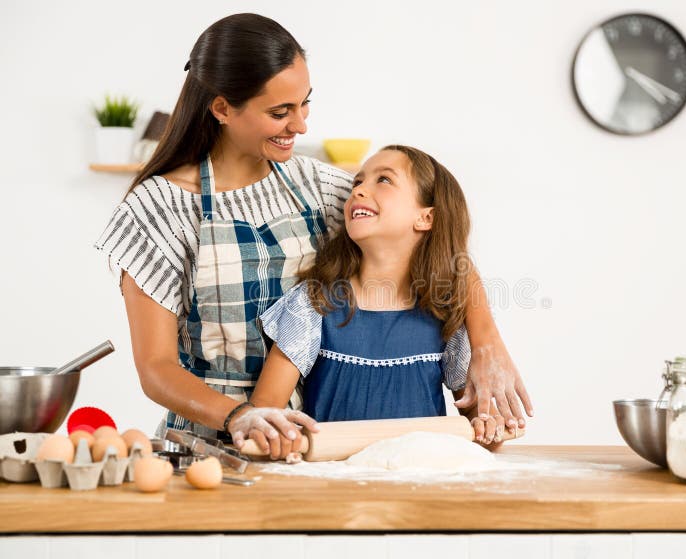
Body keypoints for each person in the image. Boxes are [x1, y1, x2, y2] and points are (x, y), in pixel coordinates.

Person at [94, 13, 531, 445]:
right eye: (280, 111)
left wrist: (487, 344)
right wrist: (242, 416)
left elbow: (440, 249)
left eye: (305, 103)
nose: (301, 125)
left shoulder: (318, 187)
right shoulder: (156, 211)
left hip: (310, 445)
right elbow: (156, 370)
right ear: (223, 108)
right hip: (206, 448)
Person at [238, 146, 506, 458]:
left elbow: (479, 424)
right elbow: (264, 413)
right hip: (331, 486)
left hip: (418, 485)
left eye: (384, 180)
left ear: (426, 217)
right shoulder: (312, 303)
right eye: (358, 183)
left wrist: (490, 427)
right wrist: (273, 434)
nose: (359, 189)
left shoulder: (445, 314)